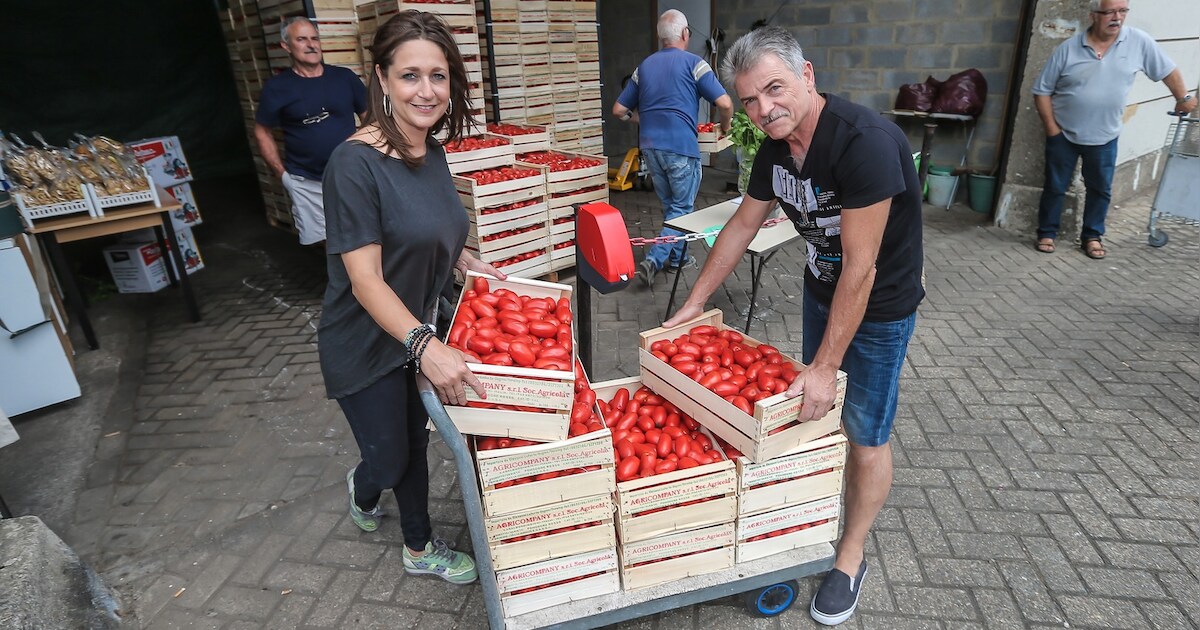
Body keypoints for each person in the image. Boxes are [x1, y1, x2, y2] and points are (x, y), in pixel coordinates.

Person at [662, 26, 924, 626]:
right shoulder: (775, 149)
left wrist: (828, 365)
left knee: (866, 431)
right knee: (815, 408)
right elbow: (739, 227)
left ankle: (850, 556)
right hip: (820, 294)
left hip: (879, 306)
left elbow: (862, 269)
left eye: (774, 89)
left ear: (807, 77)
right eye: (749, 99)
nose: (763, 109)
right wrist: (695, 303)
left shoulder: (865, 143)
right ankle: (812, 503)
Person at [319, 10, 506, 585]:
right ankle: (364, 483)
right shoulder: (353, 165)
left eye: (438, 75)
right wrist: (425, 345)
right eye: (410, 76)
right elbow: (366, 279)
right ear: (381, 79)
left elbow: (428, 228)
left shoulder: (432, 151)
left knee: (415, 445)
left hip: (415, 326)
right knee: (390, 456)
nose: (427, 91)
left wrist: (463, 259)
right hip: (365, 337)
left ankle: (419, 547)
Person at [1032, 0, 1195, 259]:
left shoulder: (1138, 42)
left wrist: (1184, 98)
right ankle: (1047, 232)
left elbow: (1168, 70)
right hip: (1064, 134)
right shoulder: (1068, 49)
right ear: (1093, 16)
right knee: (1055, 186)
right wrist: (1052, 129)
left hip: (1104, 136)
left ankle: (1092, 236)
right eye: (1109, 12)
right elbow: (1041, 91)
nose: (1117, 17)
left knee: (1100, 189)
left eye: (1122, 11)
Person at [612, 9, 733, 287]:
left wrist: (641, 118)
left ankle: (678, 260)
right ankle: (656, 258)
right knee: (681, 206)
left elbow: (619, 110)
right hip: (681, 147)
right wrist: (725, 129)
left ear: (660, 37)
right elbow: (725, 104)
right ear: (685, 34)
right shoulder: (695, 64)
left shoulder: (643, 68)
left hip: (651, 148)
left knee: (674, 208)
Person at [254, 16, 367, 246]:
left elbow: (371, 119)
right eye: (302, 39)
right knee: (329, 243)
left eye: (315, 38)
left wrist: (367, 158)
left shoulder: (344, 78)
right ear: (286, 46)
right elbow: (262, 131)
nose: (311, 44)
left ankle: (364, 280)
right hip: (307, 180)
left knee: (365, 233)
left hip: (351, 175)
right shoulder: (277, 88)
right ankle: (344, 281)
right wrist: (282, 175)